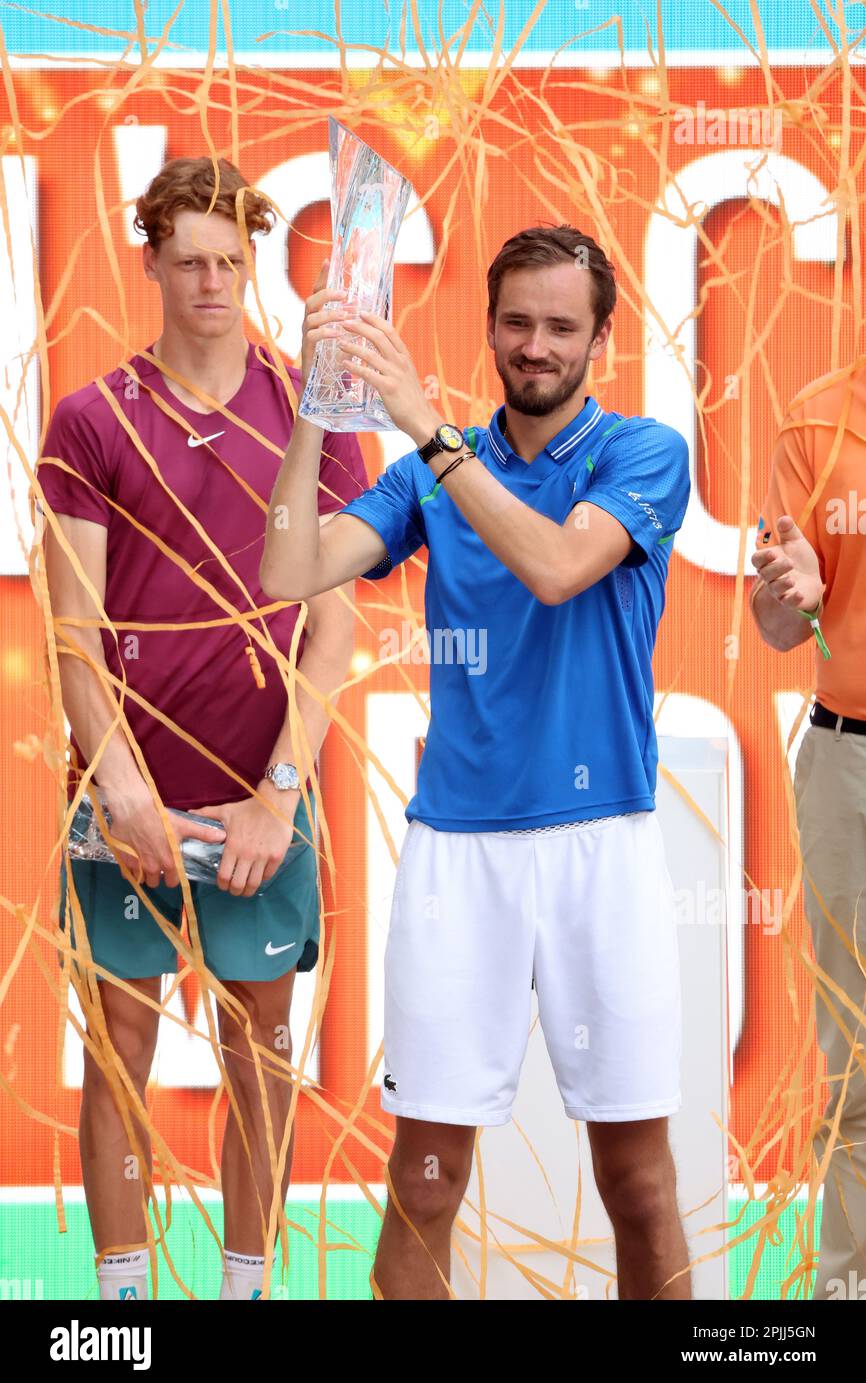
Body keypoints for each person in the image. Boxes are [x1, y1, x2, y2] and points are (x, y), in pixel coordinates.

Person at [261, 225, 693, 1300]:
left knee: (634, 1181)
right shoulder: (423, 477)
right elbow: (286, 566)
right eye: (515, 322)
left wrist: (422, 423)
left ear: (600, 334)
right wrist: (319, 402)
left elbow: (553, 566)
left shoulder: (641, 452)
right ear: (488, 327)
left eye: (559, 325)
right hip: (459, 853)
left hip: (605, 846)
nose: (534, 345)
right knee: (424, 1175)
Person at [36, 156, 367, 1299]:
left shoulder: (311, 414)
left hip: (257, 805)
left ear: (252, 262)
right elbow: (70, 631)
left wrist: (280, 791)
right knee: (118, 1054)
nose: (212, 283)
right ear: (152, 262)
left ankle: (243, 1294)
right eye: (189, 263)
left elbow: (333, 630)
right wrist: (123, 794)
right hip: (122, 800)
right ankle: (123, 1311)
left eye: (230, 262)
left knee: (259, 1053)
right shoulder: (90, 418)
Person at [750, 365, 866, 1300]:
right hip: (850, 766)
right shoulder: (816, 420)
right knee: (859, 1051)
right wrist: (792, 591)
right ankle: (845, 1292)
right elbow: (777, 630)